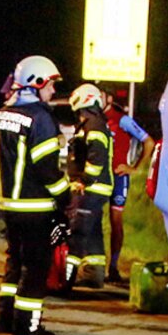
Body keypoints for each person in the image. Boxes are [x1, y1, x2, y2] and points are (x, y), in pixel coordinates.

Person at [0, 55, 68, 335]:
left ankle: (5, 318)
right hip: (34, 207)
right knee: (36, 268)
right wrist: (65, 194)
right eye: (50, 85)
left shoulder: (2, 115)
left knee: (14, 263)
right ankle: (27, 328)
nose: (52, 92)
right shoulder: (42, 118)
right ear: (36, 84)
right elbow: (47, 168)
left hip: (8, 206)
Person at [63, 83, 114, 289]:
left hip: (90, 188)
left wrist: (83, 180)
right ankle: (94, 273)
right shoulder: (94, 124)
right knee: (93, 232)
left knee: (77, 231)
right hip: (97, 188)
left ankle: (67, 277)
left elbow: (96, 160)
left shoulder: (93, 126)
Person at [106, 90, 151, 285]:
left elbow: (148, 142)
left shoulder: (122, 119)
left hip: (118, 176)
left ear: (108, 98)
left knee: (116, 221)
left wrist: (135, 168)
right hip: (100, 177)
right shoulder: (94, 118)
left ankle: (113, 266)